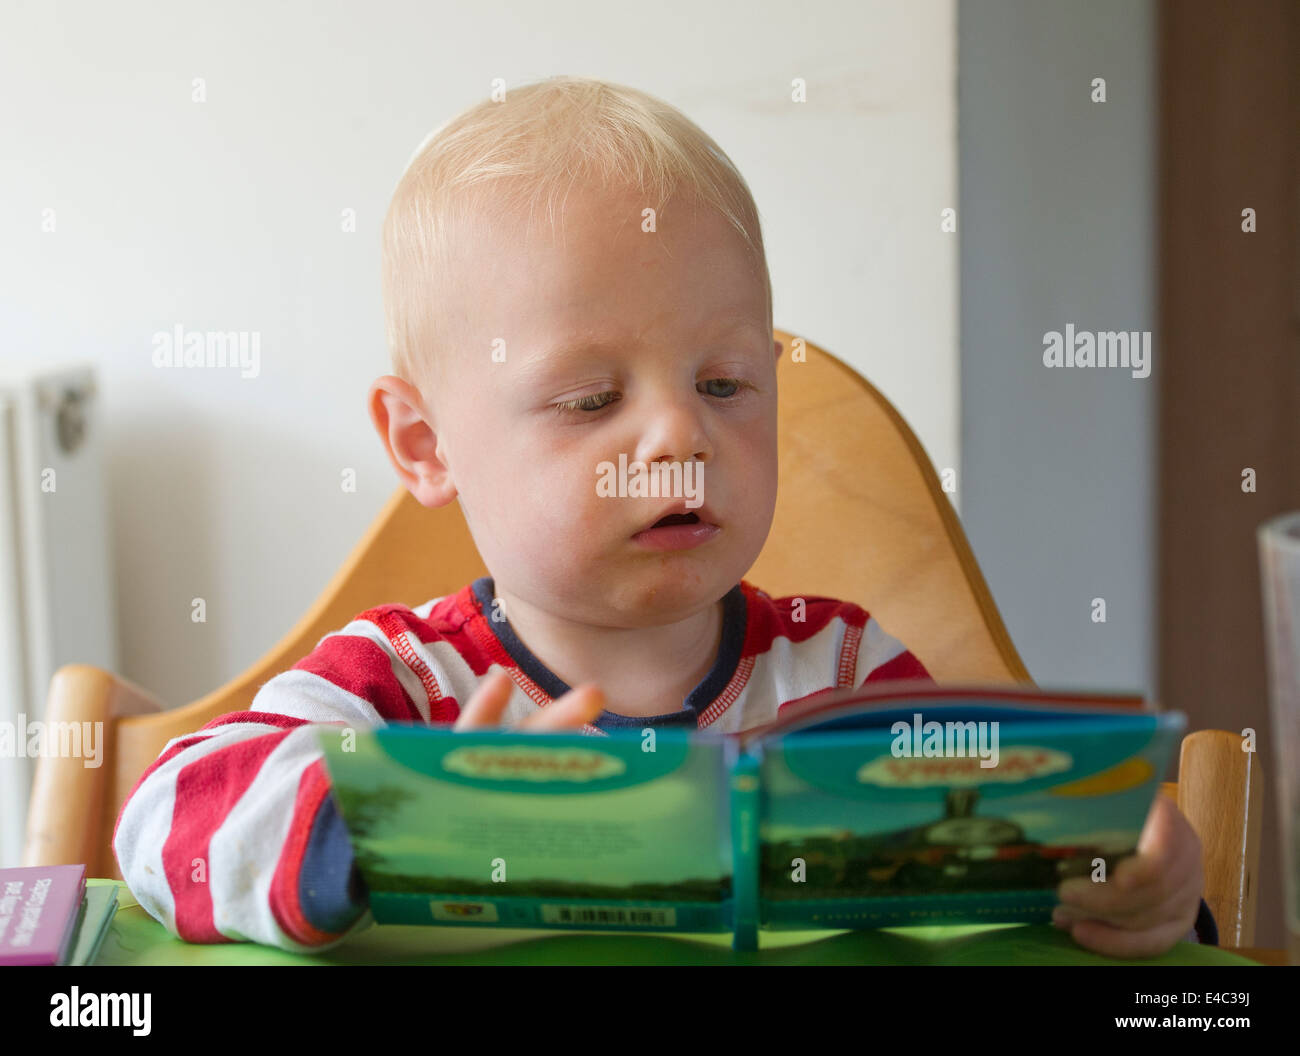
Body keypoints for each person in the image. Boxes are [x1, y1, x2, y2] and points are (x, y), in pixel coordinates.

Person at [113, 75, 1214, 958]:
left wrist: (1127, 878)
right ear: (425, 444)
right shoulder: (398, 684)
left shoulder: (842, 672)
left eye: (726, 384)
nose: (678, 438)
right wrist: (403, 820)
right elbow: (164, 823)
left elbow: (997, 863)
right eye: (592, 401)